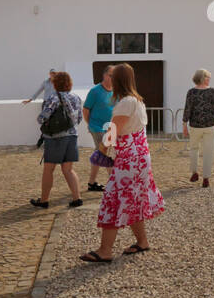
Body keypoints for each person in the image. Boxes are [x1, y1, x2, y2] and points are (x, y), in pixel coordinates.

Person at [81, 63, 165, 262]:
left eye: (112, 76)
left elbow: (112, 133)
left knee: (113, 199)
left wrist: (100, 152)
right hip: (139, 156)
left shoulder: (125, 102)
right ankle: (142, 241)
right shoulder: (138, 100)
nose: (109, 79)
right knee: (133, 199)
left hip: (129, 159)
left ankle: (105, 250)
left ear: (117, 80)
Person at [31, 71, 84, 210]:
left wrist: (40, 120)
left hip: (55, 138)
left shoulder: (54, 97)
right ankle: (77, 198)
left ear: (55, 84)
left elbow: (43, 117)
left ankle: (44, 200)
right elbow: (79, 118)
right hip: (72, 136)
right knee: (68, 169)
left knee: (49, 169)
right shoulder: (76, 97)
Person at [183, 68, 214, 187]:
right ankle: (206, 178)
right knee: (208, 151)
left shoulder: (191, 92)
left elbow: (187, 110)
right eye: (208, 77)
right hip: (210, 125)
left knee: (194, 149)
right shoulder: (212, 92)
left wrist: (184, 125)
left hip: (195, 125)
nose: (209, 79)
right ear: (203, 78)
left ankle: (194, 172)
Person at [82, 66, 116, 192]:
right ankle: (114, 183)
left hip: (111, 128)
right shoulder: (95, 91)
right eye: (111, 75)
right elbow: (86, 109)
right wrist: (90, 125)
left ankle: (91, 183)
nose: (113, 78)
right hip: (98, 128)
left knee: (99, 153)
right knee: (107, 154)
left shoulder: (115, 91)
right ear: (105, 75)